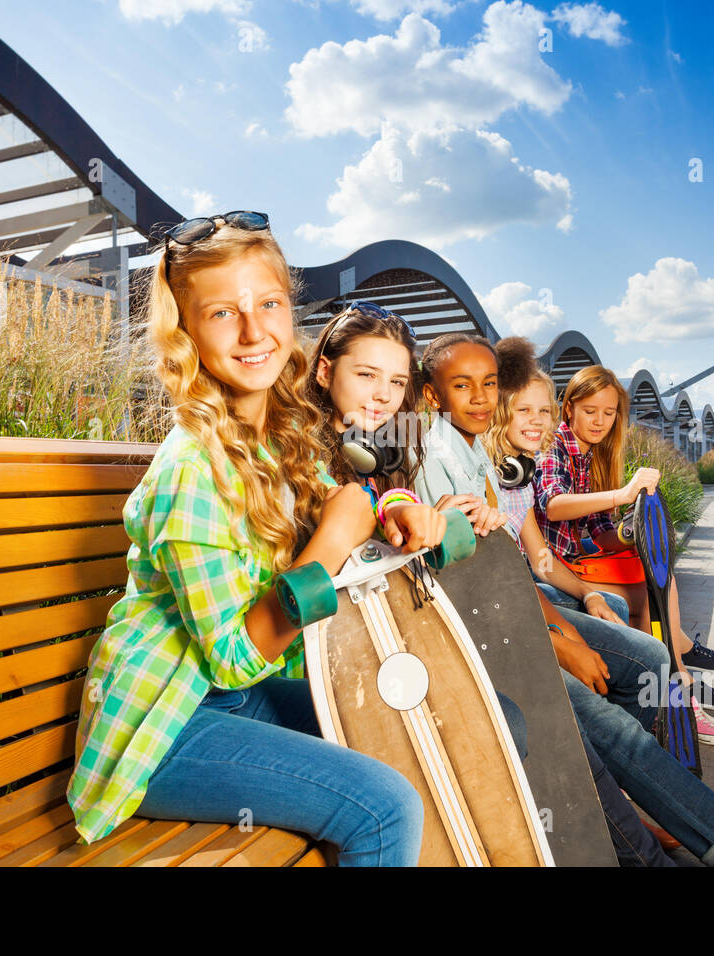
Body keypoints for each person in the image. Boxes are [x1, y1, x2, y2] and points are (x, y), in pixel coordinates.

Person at [67, 212, 459, 866]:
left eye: (269, 304)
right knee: (386, 808)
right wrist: (333, 540)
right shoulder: (191, 470)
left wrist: (392, 508)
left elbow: (345, 481)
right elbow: (229, 658)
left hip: (240, 700)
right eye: (223, 313)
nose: (255, 332)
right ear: (186, 332)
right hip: (164, 724)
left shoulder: (274, 436)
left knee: (418, 725)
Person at [413, 332, 714, 866]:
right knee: (607, 725)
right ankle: (690, 835)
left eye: (490, 385)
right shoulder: (431, 455)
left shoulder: (479, 461)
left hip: (523, 604)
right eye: (465, 386)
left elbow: (527, 562)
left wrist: (582, 608)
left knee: (645, 654)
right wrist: (560, 634)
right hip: (489, 633)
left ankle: (633, 798)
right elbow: (483, 580)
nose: (483, 397)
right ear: (432, 395)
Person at [308, 306, 673, 865]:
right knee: (548, 710)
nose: (382, 395)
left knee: (591, 679)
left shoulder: (392, 457)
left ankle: (622, 829)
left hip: (436, 618)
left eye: (395, 382)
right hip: (381, 645)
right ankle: (627, 840)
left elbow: (421, 527)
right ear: (323, 371)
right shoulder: (321, 459)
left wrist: (423, 514)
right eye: (366, 375)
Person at [534, 365, 714, 743]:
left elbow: (599, 532)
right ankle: (682, 681)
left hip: (575, 560)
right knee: (654, 596)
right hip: (549, 567)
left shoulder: (593, 455)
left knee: (656, 577)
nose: (600, 421)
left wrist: (638, 533)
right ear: (569, 409)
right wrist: (621, 495)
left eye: (609, 412)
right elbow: (553, 505)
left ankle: (678, 672)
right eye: (590, 410)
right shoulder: (555, 445)